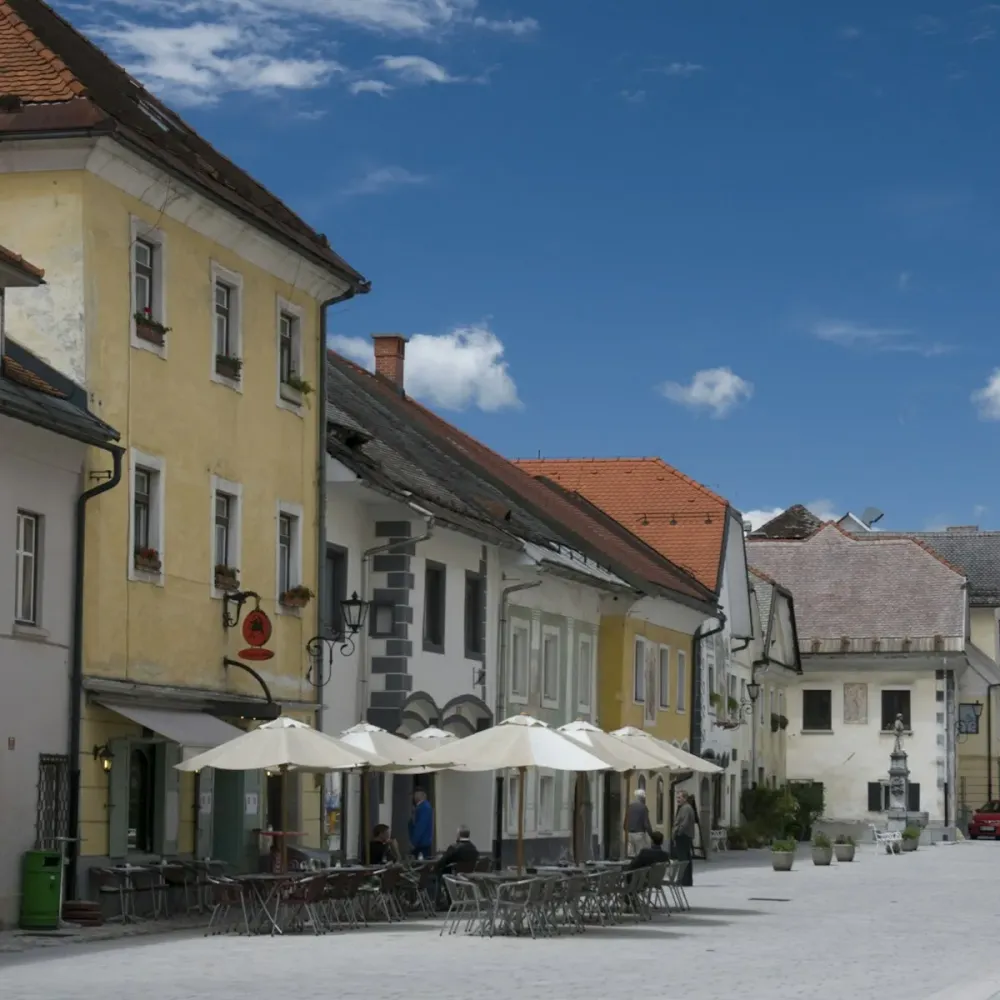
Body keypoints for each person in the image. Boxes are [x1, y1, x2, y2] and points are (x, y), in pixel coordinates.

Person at [672, 791, 696, 887]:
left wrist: (678, 832)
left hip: (683, 836)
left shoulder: (686, 808)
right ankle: (687, 880)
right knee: (686, 858)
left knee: (682, 859)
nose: (677, 799)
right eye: (677, 797)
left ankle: (682, 879)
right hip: (686, 835)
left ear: (685, 798)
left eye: (679, 797)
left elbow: (684, 823)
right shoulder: (686, 808)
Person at [625, 788, 653, 857]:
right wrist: (651, 834)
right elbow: (646, 823)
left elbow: (626, 820)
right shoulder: (643, 807)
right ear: (643, 798)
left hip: (630, 834)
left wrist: (626, 829)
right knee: (640, 854)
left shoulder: (630, 807)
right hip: (639, 834)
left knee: (631, 855)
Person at [408, 787, 434, 860]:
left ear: (423, 794)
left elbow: (420, 826)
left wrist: (414, 841)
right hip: (421, 843)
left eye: (415, 793)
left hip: (421, 844)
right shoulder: (421, 807)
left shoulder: (424, 807)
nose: (414, 796)